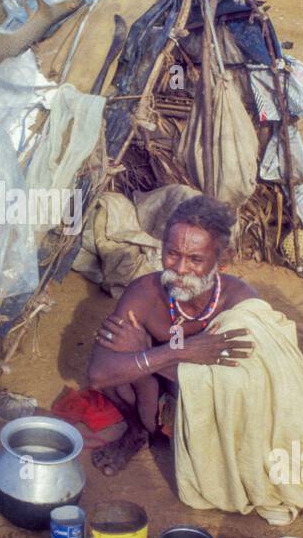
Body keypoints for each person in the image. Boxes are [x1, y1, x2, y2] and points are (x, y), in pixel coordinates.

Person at [85, 195, 255, 476]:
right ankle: (137, 433)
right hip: (161, 394)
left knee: (135, 359)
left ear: (222, 259)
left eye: (195, 259)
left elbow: (239, 390)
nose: (179, 269)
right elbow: (99, 374)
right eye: (172, 253)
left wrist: (150, 355)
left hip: (209, 410)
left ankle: (192, 449)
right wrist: (175, 352)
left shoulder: (239, 302)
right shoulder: (145, 292)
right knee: (119, 368)